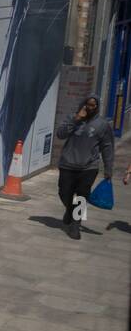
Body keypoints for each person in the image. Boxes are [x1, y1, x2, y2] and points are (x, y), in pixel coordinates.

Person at [55, 95, 115, 240]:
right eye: (88, 104)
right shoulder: (73, 118)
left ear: (97, 107)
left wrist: (108, 168)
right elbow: (60, 134)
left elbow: (107, 147)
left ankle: (76, 225)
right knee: (64, 192)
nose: (90, 107)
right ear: (83, 104)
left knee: (82, 196)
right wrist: (76, 119)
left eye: (93, 105)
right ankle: (70, 210)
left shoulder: (102, 124)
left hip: (89, 167)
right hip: (67, 163)